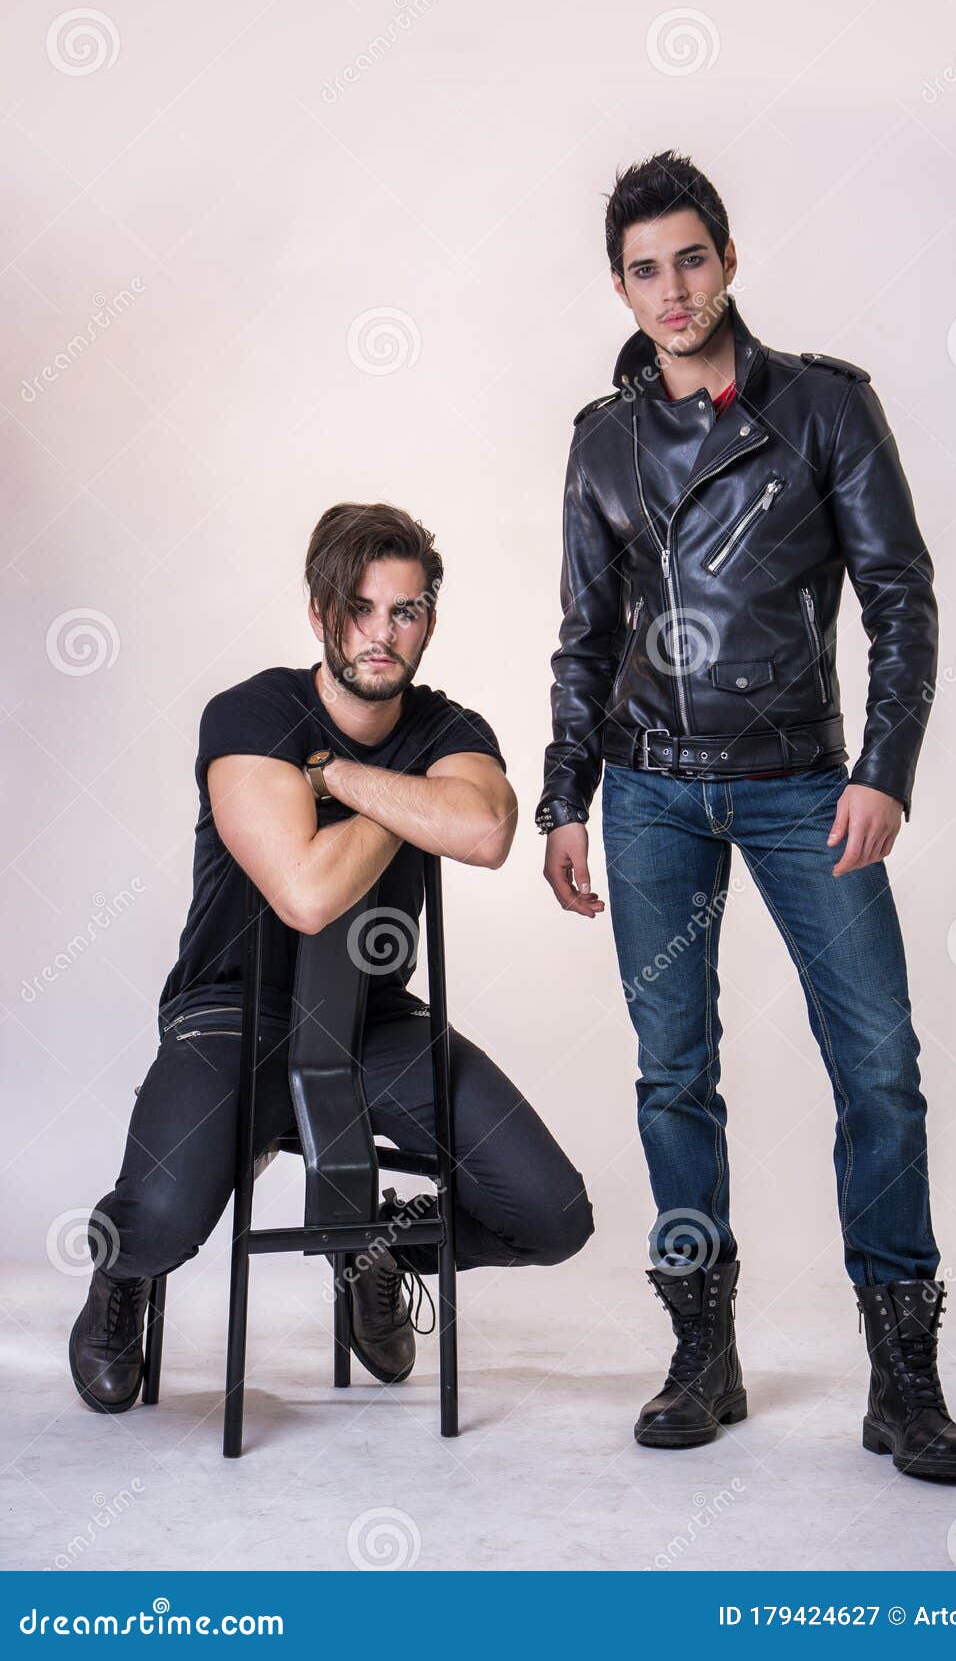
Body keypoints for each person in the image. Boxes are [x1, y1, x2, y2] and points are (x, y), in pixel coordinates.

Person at [536, 150, 956, 1479]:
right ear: (616, 284)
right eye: (640, 269)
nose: (669, 290)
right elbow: (580, 634)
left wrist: (882, 768)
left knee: (878, 1070)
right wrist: (566, 797)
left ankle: (902, 1380)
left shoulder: (824, 410)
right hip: (650, 792)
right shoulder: (600, 441)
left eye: (687, 259)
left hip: (801, 785)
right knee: (673, 1071)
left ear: (725, 260)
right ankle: (701, 1351)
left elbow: (898, 594)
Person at [71, 502, 593, 1415]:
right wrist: (409, 803)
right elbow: (306, 892)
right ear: (319, 613)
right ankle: (123, 1281)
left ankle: (385, 1245)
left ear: (428, 618)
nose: (381, 634)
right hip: (236, 1011)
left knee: (551, 1215)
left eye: (404, 611)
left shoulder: (447, 724)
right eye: (359, 609)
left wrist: (336, 779)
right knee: (155, 1224)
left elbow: (485, 828)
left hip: (375, 1020)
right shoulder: (251, 712)